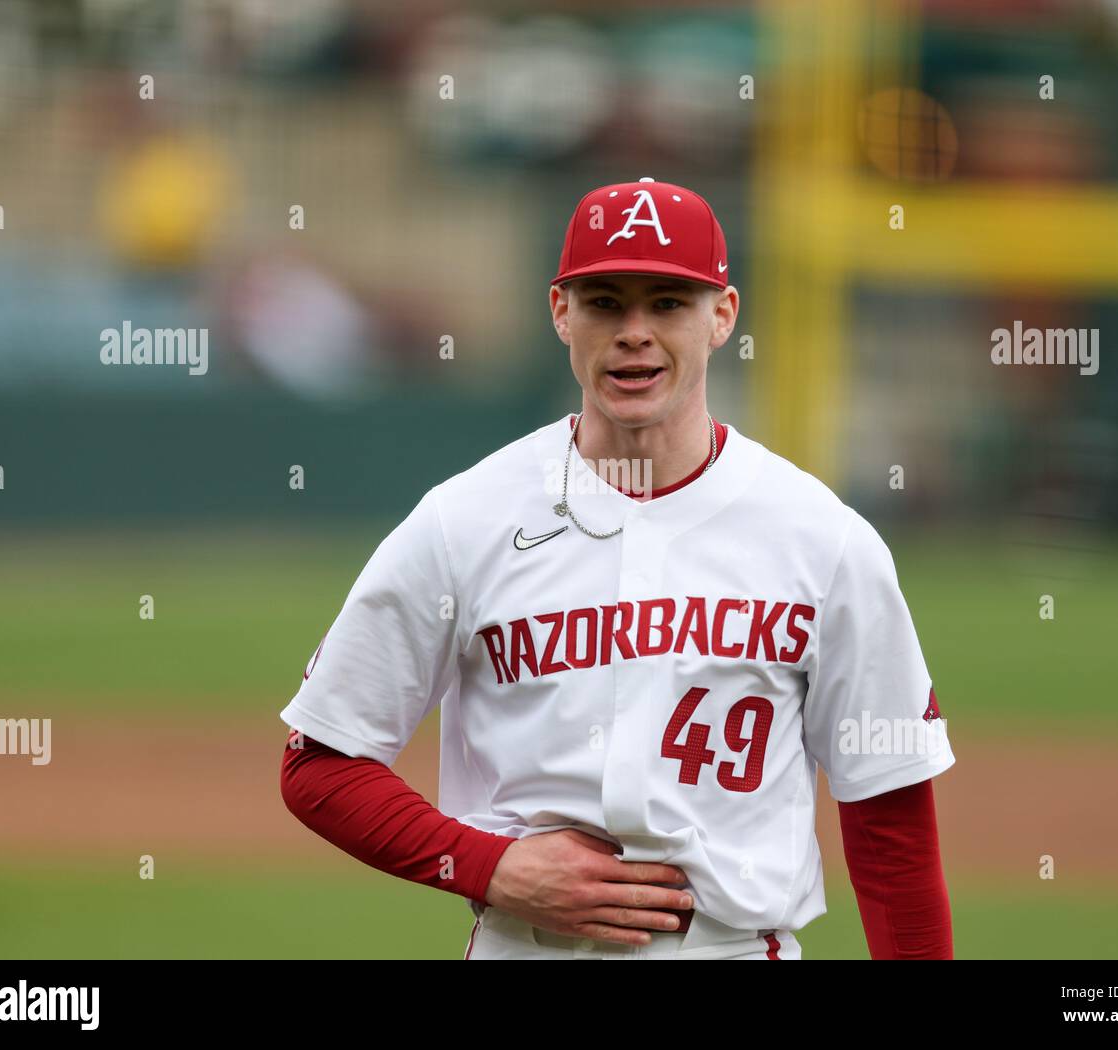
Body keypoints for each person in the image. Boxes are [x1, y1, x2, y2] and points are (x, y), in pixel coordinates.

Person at [279, 177, 956, 960]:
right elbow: (321, 764)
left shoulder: (825, 541)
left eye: (668, 303)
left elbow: (891, 826)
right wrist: (490, 865)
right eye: (606, 302)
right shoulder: (463, 521)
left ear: (722, 317)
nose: (634, 332)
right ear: (561, 311)